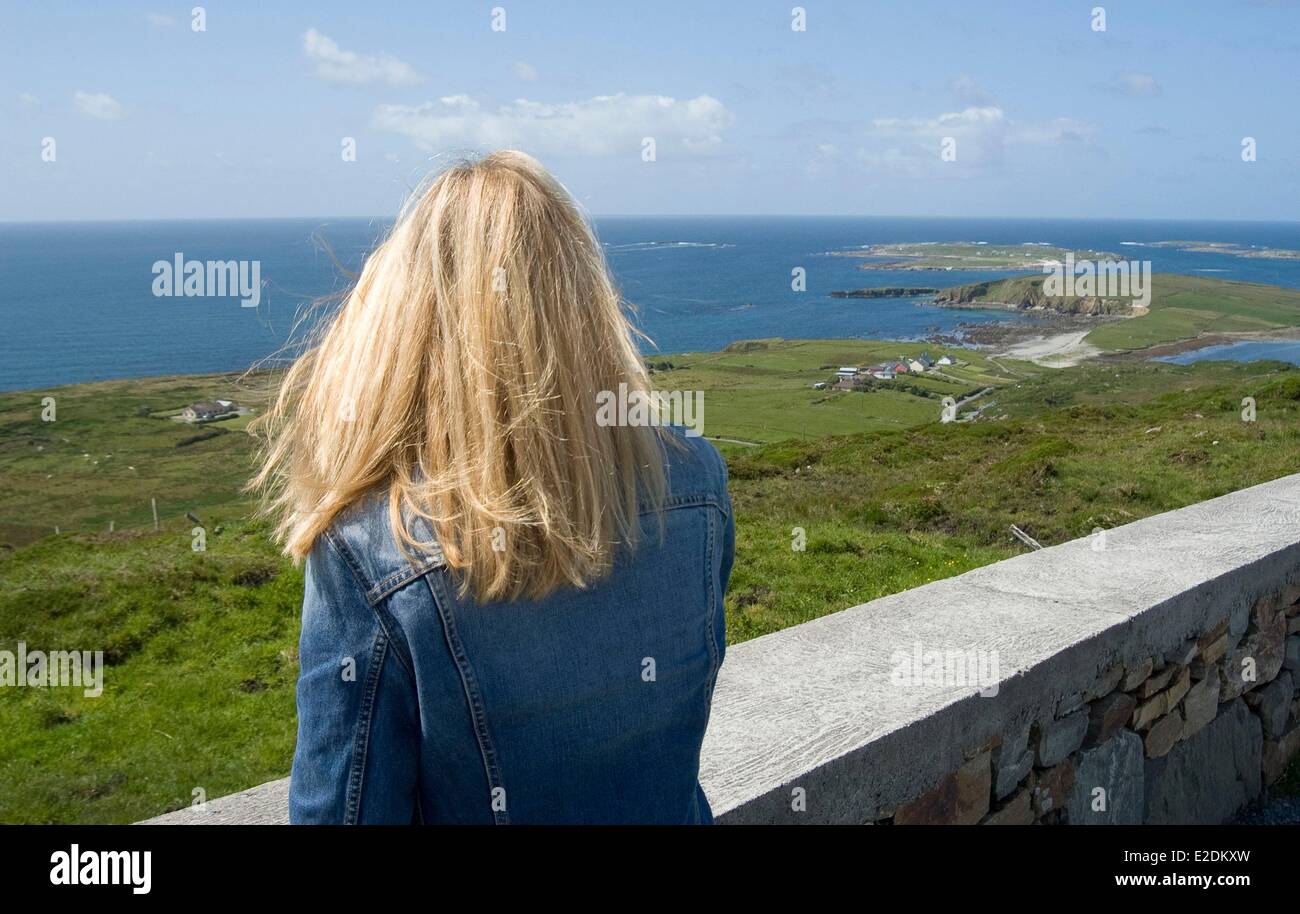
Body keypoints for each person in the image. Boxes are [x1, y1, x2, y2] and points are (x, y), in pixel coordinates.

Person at [250, 150, 734, 824]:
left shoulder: (370, 549)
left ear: (406, 320)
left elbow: (343, 810)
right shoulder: (697, 485)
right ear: (587, 302)